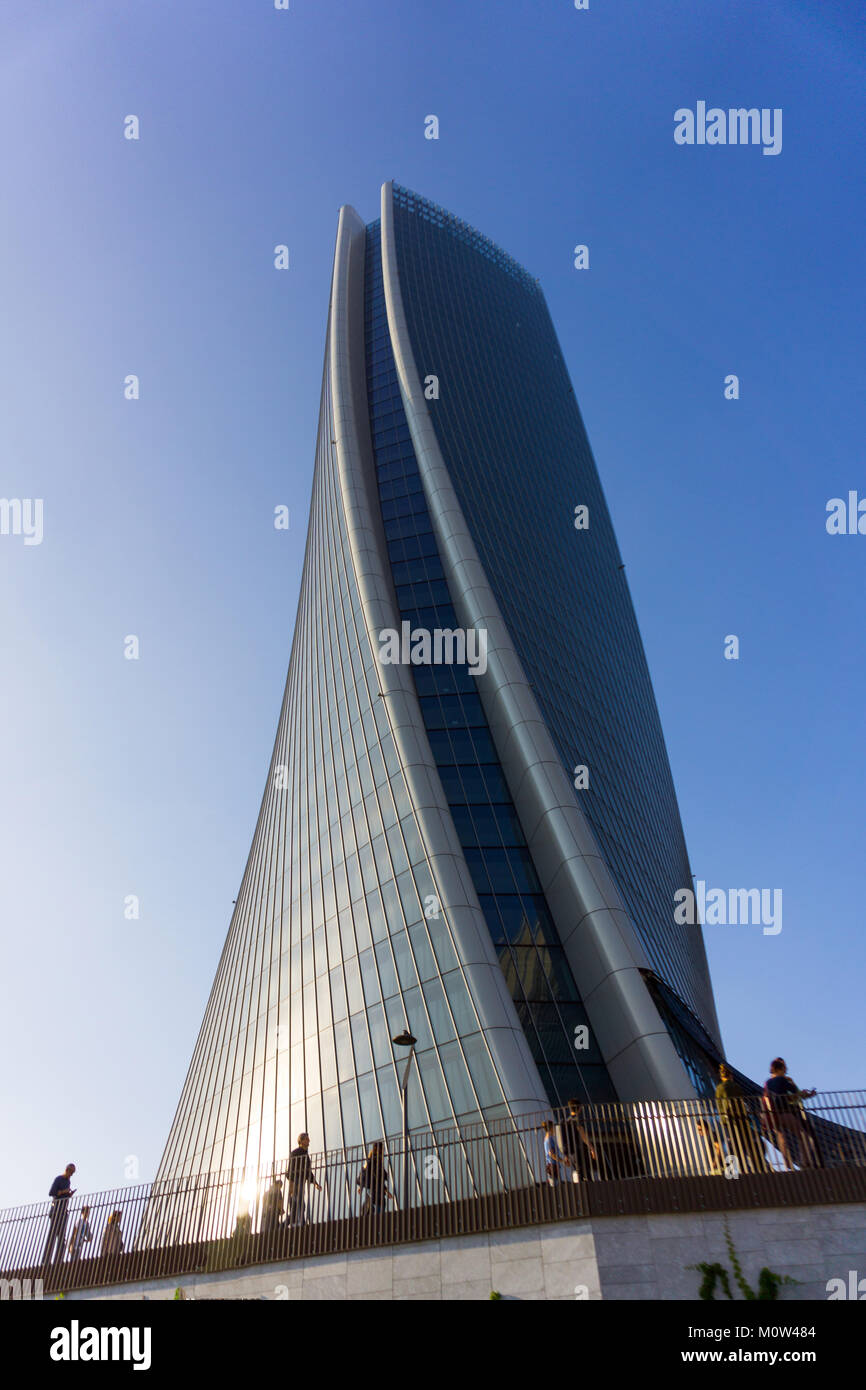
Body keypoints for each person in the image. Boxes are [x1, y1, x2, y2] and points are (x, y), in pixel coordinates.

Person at [763, 1058, 818, 1170]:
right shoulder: (783, 1080)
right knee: (802, 1135)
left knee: (782, 1138)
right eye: (785, 1068)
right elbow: (796, 1094)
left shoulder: (767, 1083)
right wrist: (808, 1094)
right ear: (781, 1069)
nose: (786, 1070)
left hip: (772, 1116)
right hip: (784, 1112)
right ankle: (805, 1162)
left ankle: (788, 1165)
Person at [716, 1063, 766, 1173]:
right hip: (741, 1119)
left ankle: (735, 1170)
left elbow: (719, 1105)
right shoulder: (736, 1086)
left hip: (728, 1120)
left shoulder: (719, 1088)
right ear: (731, 1076)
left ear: (721, 1076)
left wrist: (723, 1119)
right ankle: (759, 1168)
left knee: (733, 1146)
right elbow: (741, 1101)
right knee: (747, 1144)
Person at [559, 1099, 601, 1182]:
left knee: (579, 1173)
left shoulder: (566, 1121)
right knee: (585, 1172)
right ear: (579, 1108)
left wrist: (566, 1155)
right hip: (577, 1151)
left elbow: (564, 1138)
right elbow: (583, 1137)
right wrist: (592, 1148)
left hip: (570, 1152)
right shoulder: (577, 1120)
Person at [43, 1164, 76, 1265]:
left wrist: (69, 1194)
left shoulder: (68, 1182)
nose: (71, 1175)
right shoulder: (59, 1179)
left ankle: (58, 1261)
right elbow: (51, 1193)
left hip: (63, 1211)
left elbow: (63, 1196)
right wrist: (63, 1192)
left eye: (73, 1173)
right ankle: (46, 1262)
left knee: (62, 1237)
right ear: (67, 1170)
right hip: (56, 1210)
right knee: (52, 1236)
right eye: (71, 1172)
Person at [286, 1133, 321, 1226]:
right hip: (296, 1181)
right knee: (299, 1203)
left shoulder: (306, 1156)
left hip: (300, 1181)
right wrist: (292, 1184)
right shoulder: (295, 1152)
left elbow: (308, 1172)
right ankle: (300, 1223)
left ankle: (286, 1224)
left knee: (298, 1205)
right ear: (300, 1141)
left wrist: (316, 1184)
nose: (308, 1140)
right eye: (306, 1139)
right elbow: (290, 1169)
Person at [356, 1141, 395, 1215]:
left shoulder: (372, 1160)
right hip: (375, 1193)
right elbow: (375, 1178)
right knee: (377, 1207)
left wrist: (361, 1186)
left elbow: (367, 1175)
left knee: (374, 1207)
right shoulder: (375, 1160)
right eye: (382, 1149)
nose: (382, 1152)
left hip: (374, 1192)